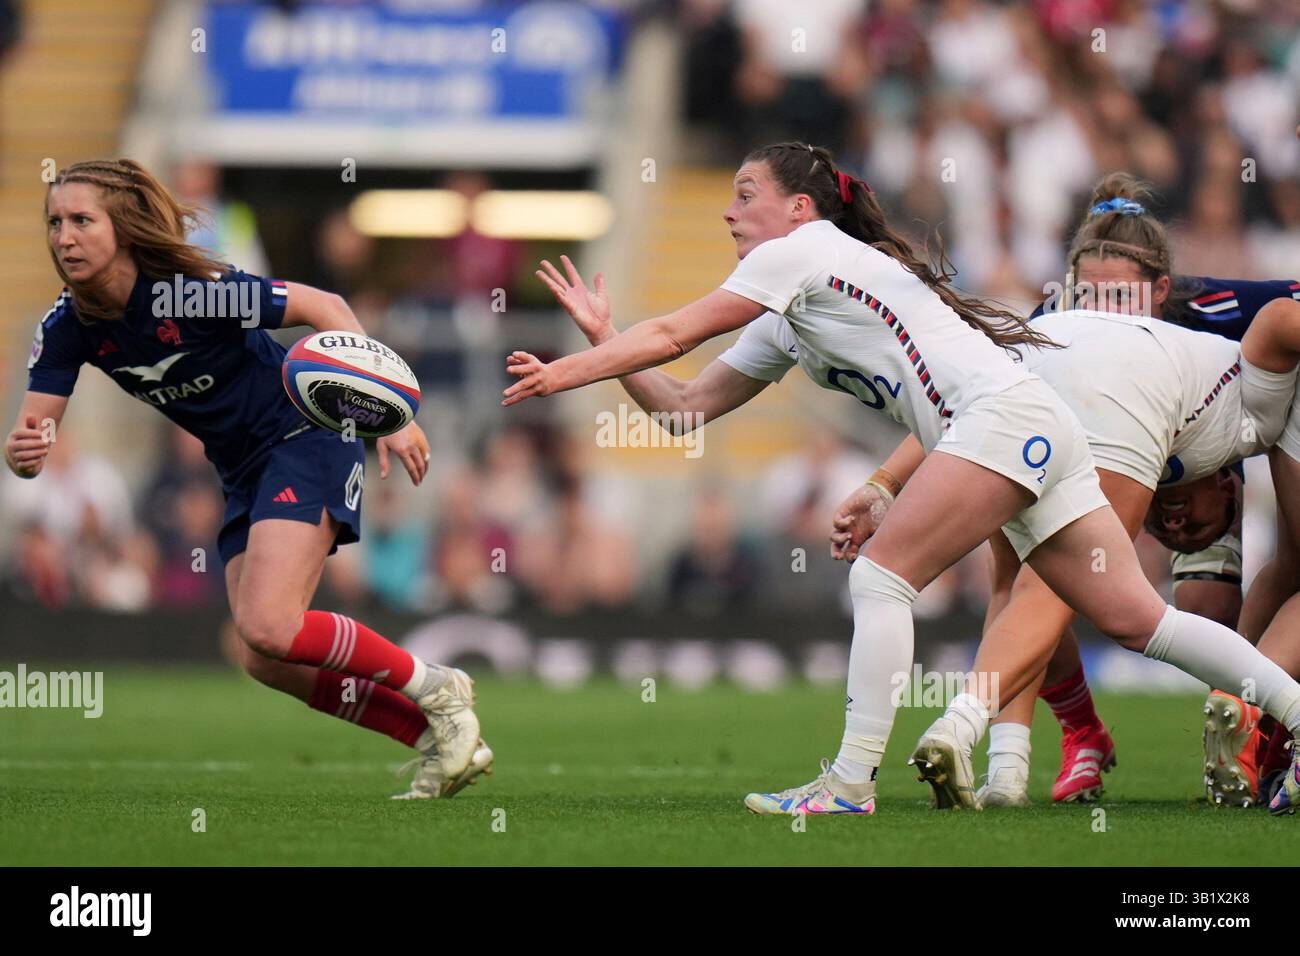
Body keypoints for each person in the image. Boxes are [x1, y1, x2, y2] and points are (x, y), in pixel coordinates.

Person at [505, 141, 1300, 816]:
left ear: (799, 212)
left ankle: (850, 784)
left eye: (746, 194)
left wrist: (565, 372)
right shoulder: (789, 306)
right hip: (1034, 423)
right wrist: (607, 340)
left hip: (1004, 420)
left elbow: (675, 331)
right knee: (1136, 620)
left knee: (883, 579)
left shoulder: (802, 253)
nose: (727, 212)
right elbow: (681, 408)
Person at [3, 159, 491, 800]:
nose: (63, 236)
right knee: (264, 656)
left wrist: (390, 414)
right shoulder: (66, 326)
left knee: (267, 625)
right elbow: (29, 438)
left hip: (306, 435)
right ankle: (438, 738)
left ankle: (436, 684)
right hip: (240, 468)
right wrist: (25, 453)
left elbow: (326, 305)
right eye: (55, 222)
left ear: (121, 226)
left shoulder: (189, 290)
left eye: (81, 220)